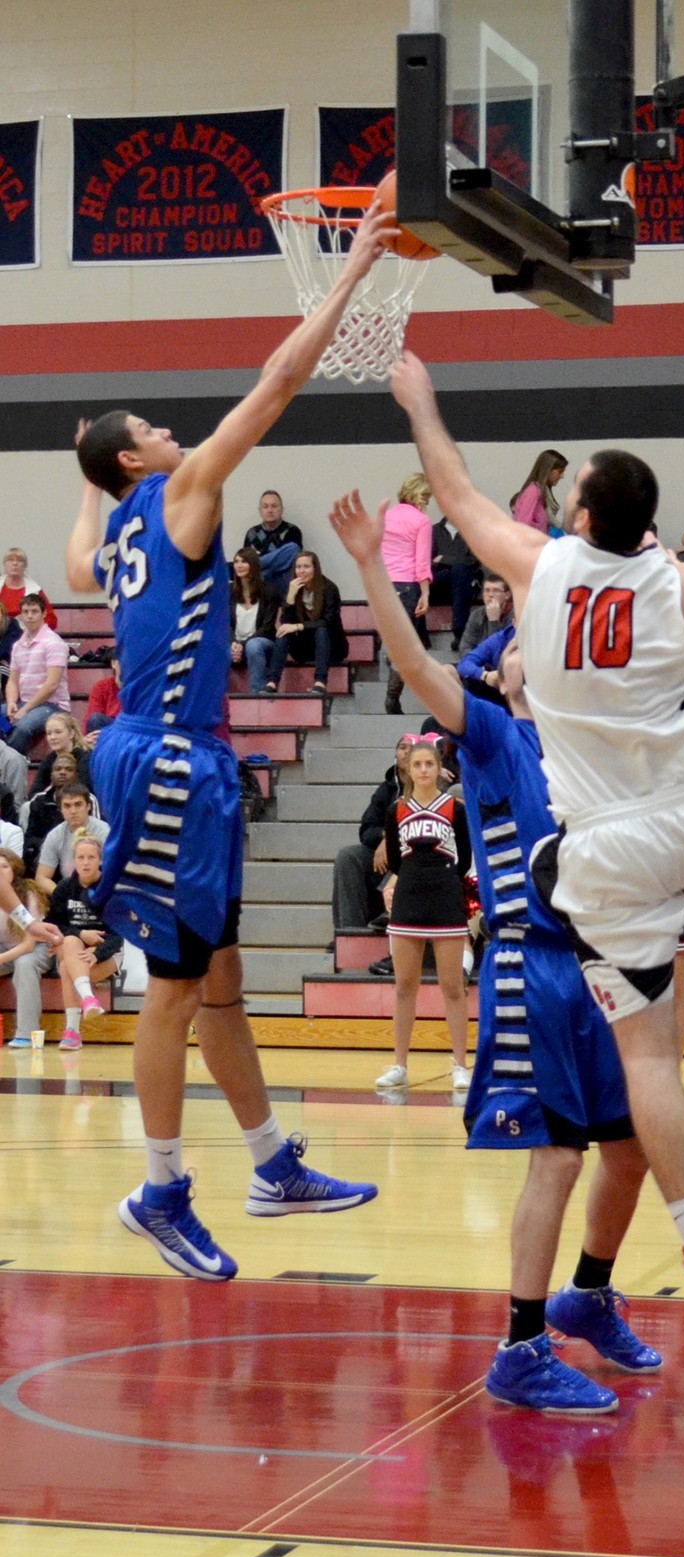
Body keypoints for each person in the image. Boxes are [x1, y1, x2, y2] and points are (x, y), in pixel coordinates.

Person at [389, 350, 684, 1352]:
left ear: (575, 517)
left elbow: (453, 488)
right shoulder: (683, 582)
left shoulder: (539, 566)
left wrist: (419, 400)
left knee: (645, 1062)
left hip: (600, 859)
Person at [65, 195, 394, 1280]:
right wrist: (346, 277)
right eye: (150, 433)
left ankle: (268, 1163)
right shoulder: (182, 492)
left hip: (174, 752)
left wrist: (88, 469)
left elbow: (75, 569)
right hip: (163, 753)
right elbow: (279, 380)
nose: (172, 432)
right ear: (136, 464)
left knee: (220, 979)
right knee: (169, 985)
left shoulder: (114, 521)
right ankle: (161, 1185)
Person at [331, 490, 663, 1412]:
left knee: (632, 1147)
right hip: (533, 967)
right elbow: (411, 659)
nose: (536, 640)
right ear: (500, 670)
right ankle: (519, 1346)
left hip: (600, 965)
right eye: (519, 639)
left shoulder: (587, 736)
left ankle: (586, 1297)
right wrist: (369, 565)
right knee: (555, 1158)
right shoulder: (487, 732)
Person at [373, 737, 471, 1093]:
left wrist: (442, 881)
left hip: (446, 900)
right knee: (404, 987)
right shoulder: (396, 810)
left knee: (452, 987)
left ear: (439, 768)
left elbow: (466, 860)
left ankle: (460, 1065)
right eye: (417, 765)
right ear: (409, 770)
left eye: (429, 764)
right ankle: (399, 1064)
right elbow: (396, 862)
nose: (424, 770)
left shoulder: (455, 808)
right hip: (408, 902)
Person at [331, 735, 415, 943]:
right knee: (348, 856)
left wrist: (390, 840)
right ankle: (349, 934)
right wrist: (384, 838)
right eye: (402, 747)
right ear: (395, 755)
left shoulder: (428, 782)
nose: (406, 751)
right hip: (385, 858)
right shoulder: (386, 788)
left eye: (411, 747)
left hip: (414, 854)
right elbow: (366, 829)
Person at [48, 832, 124, 1052]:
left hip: (107, 951)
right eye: (81, 857)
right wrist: (81, 935)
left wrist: (96, 954)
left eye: (91, 857)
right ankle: (88, 998)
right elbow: (55, 924)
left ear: (100, 860)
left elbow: (117, 936)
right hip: (74, 947)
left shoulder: (110, 889)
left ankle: (72, 1031)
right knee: (71, 941)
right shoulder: (64, 888)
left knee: (66, 969)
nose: (85, 862)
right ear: (74, 860)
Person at [381, 472, 433, 713]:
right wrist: (425, 593)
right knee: (405, 647)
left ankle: (391, 671)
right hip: (406, 586)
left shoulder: (385, 516)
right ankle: (392, 697)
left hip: (383, 586)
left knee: (395, 641)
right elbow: (421, 563)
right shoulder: (422, 521)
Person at [265, 550, 348, 696]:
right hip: (305, 648)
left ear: (315, 568)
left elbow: (329, 622)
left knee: (321, 630)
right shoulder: (293, 588)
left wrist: (298, 626)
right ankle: (272, 681)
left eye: (306, 567)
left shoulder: (329, 589)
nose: (302, 571)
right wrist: (290, 597)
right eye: (298, 567)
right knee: (284, 632)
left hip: (332, 646)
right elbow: (285, 622)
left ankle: (320, 682)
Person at [0, 847, 59, 1049]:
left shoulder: (28, 893)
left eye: (4, 867)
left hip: (35, 948)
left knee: (24, 964)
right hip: (5, 949)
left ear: (14, 869)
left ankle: (26, 1033)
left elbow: (28, 944)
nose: (1, 872)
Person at [5, 593, 71, 755]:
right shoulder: (18, 646)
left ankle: (10, 768)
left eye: (34, 611)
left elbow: (51, 685)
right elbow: (13, 680)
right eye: (26, 611)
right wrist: (12, 702)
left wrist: (24, 710)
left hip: (53, 706)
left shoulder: (54, 643)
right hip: (25, 703)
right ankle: (9, 750)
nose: (29, 616)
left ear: (43, 614)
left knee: (22, 727)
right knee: (4, 723)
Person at [35, 781, 110, 899]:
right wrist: (64, 896)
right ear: (60, 809)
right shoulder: (55, 835)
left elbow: (111, 874)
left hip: (100, 895)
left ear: (88, 806)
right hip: (68, 894)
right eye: (67, 806)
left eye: (78, 804)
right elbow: (41, 878)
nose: (73, 811)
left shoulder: (104, 832)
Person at [229, 546, 280, 695]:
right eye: (236, 561)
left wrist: (242, 645)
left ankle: (257, 694)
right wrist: (233, 643)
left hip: (262, 643)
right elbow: (223, 623)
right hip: (235, 644)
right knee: (213, 648)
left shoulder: (269, 591)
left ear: (254, 565)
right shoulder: (228, 591)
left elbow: (267, 627)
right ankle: (215, 699)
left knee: (253, 646)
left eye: (244, 561)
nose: (239, 565)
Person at [429, 514, 481, 650]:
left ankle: (460, 633)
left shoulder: (472, 532)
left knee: (460, 570)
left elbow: (474, 561)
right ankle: (460, 632)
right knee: (456, 570)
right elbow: (426, 561)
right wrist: (456, 561)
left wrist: (444, 559)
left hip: (463, 584)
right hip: (439, 584)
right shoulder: (433, 531)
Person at [22, 756, 81, 875]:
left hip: (77, 853)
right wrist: (50, 845)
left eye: (68, 769)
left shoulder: (87, 799)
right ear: (51, 774)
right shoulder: (38, 801)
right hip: (44, 854)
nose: (62, 772)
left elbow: (92, 834)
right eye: (58, 769)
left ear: (76, 775)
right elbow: (30, 838)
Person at [242, 490, 303, 591]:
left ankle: (258, 564)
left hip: (282, 584)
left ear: (282, 510)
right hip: (257, 587)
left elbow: (292, 561)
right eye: (265, 506)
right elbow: (245, 564)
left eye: (274, 506)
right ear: (260, 510)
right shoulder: (252, 533)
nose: (270, 510)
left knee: (293, 548)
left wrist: (255, 563)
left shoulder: (292, 530)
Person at [30, 711, 92, 795]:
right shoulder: (49, 759)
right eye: (49, 733)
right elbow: (34, 793)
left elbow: (84, 789)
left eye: (58, 732)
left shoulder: (85, 757)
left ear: (71, 733)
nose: (53, 737)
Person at [457, 574, 514, 662]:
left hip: (504, 667)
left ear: (507, 595)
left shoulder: (515, 616)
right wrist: (476, 664)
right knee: (447, 670)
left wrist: (493, 622)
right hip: (478, 665)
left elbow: (498, 654)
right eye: (487, 590)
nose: (490, 595)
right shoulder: (476, 615)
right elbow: (465, 648)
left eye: (496, 591)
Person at [511, 450, 569, 536]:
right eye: (560, 471)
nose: (562, 476)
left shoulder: (541, 492)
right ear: (548, 470)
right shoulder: (533, 491)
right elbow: (522, 524)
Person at [0, 547, 58, 630]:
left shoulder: (35, 591)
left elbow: (51, 621)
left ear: (25, 566)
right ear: (4, 564)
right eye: (10, 560)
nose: (15, 563)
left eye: (19, 561)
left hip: (26, 636)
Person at [84, 653, 123, 737]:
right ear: (113, 664)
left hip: (129, 729)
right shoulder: (101, 686)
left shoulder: (141, 686)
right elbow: (92, 715)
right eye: (122, 660)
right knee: (95, 720)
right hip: (106, 730)